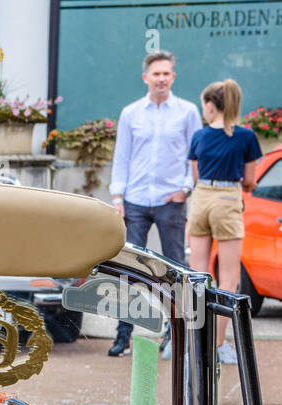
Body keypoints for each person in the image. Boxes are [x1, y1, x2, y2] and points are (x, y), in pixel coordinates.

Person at [107, 50, 201, 358]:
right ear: (146, 77)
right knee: (129, 269)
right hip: (135, 200)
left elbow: (194, 156)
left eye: (166, 73)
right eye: (155, 74)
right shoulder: (131, 113)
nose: (161, 79)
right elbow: (122, 157)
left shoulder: (187, 112)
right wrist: (117, 198)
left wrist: (186, 189)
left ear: (173, 77)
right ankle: (123, 336)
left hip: (170, 200)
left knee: (175, 269)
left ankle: (176, 335)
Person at [187, 79, 261, 367]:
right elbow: (250, 180)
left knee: (196, 273)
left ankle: (192, 338)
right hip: (228, 198)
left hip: (202, 197)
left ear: (210, 105)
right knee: (228, 275)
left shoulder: (199, 136)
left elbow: (195, 175)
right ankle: (218, 342)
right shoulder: (245, 137)